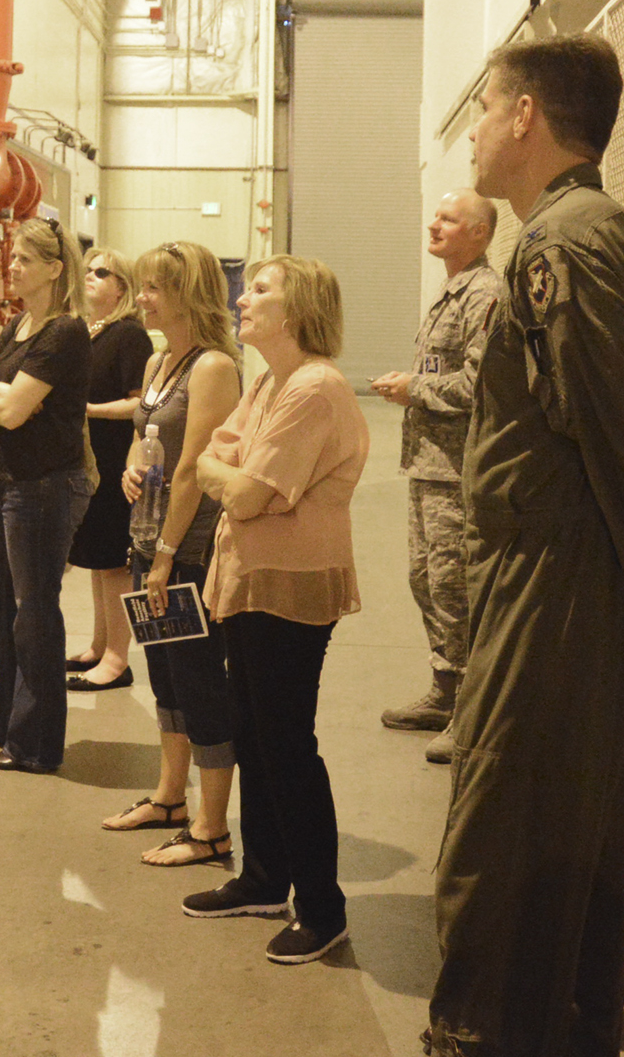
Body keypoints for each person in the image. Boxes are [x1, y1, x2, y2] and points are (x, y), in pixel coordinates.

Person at [424, 34, 624, 1057]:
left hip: (561, 578)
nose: (471, 132)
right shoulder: (579, 233)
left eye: (485, 109)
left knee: (507, 840)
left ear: (525, 117)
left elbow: (622, 433)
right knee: (565, 842)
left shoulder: (565, 243)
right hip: (568, 572)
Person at [186, 256, 368, 966]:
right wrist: (222, 471)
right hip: (250, 579)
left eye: (260, 290)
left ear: (296, 311)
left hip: (288, 587)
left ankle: (323, 910)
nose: (243, 299)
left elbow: (248, 493)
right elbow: (212, 457)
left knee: (287, 744)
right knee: (254, 733)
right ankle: (264, 879)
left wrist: (224, 474)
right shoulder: (268, 382)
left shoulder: (315, 388)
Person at [98, 241, 242, 866]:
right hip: (146, 537)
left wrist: (165, 555)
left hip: (187, 549)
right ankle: (169, 799)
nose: (143, 297)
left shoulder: (212, 367)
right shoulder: (161, 362)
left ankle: (211, 828)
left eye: (155, 287)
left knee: (200, 679)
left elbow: (191, 468)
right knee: (165, 675)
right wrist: (131, 469)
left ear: (190, 294)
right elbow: (148, 438)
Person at [370, 191, 504, 765]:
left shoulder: (486, 295)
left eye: (448, 220)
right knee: (426, 579)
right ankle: (445, 693)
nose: (434, 225)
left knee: (456, 586)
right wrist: (415, 382)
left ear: (478, 233)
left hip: (458, 472)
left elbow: (480, 385)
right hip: (430, 467)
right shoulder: (450, 292)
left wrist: (413, 389)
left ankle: (471, 716)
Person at [0, 216, 93, 773]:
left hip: (43, 488)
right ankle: (6, 715)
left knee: (35, 610)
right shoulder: (16, 325)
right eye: (12, 258)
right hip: (7, 485)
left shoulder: (64, 332)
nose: (10, 267)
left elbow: (9, 412)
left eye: (23, 261)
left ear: (54, 269)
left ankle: (35, 743)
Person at [65, 248, 154, 688]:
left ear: (123, 285)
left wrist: (87, 410)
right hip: (91, 462)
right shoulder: (87, 331)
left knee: (116, 564)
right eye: (86, 271)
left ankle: (117, 660)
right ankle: (99, 645)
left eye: (102, 272)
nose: (91, 278)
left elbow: (140, 402)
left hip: (118, 459)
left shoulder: (129, 336)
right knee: (99, 562)